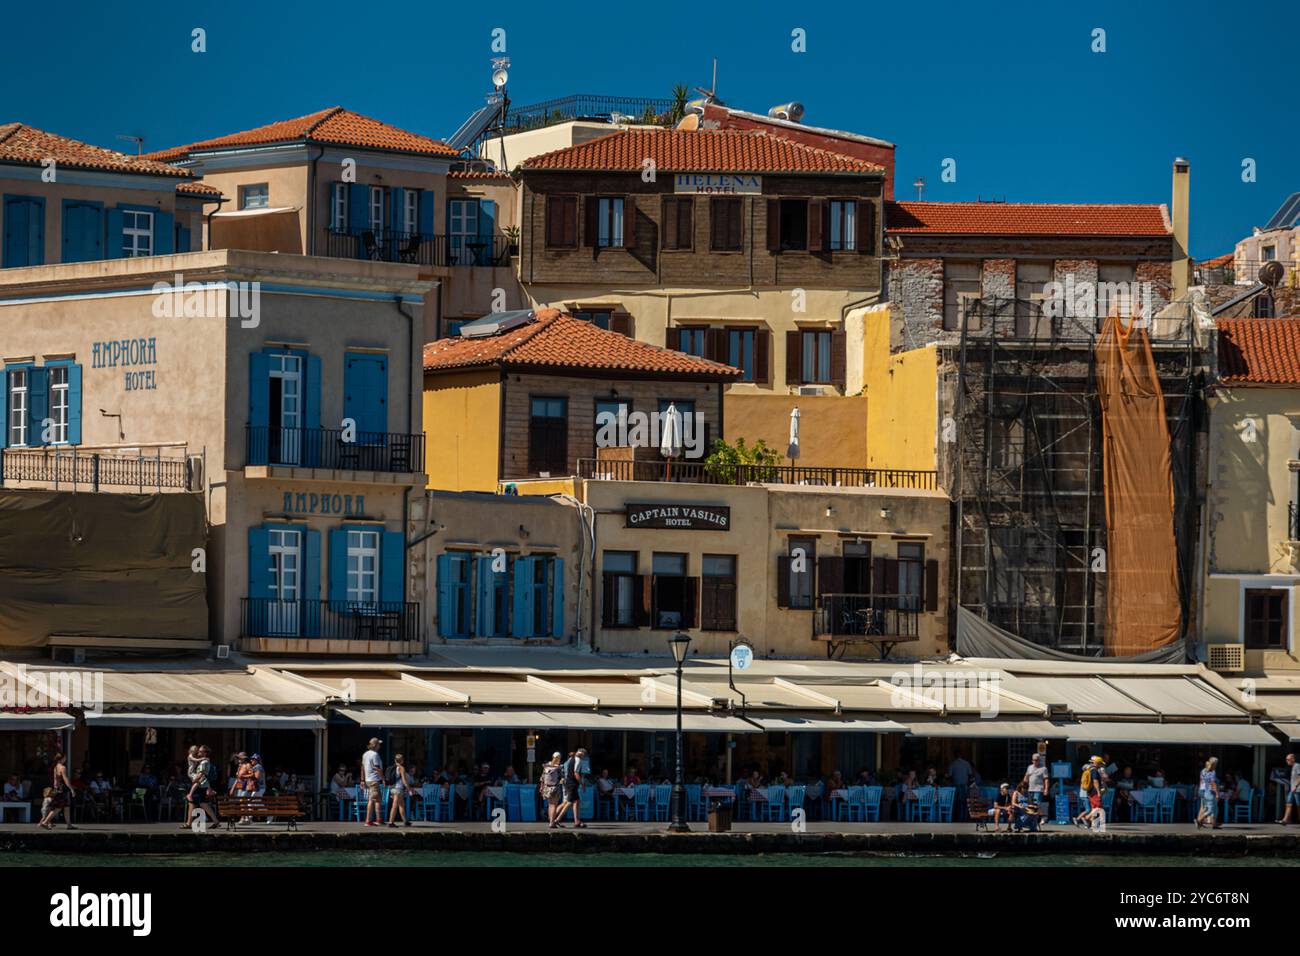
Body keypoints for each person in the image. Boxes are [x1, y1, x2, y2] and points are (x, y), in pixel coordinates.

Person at [555, 748, 588, 829]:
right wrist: (582, 784)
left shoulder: (571, 759)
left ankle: (577, 821)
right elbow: (576, 773)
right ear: (582, 754)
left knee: (577, 801)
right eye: (584, 755)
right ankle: (557, 820)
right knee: (569, 802)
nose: (583, 757)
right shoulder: (579, 760)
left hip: (568, 782)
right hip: (572, 784)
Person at [183, 745, 215, 828]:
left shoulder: (204, 762)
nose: (198, 752)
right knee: (203, 803)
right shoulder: (202, 761)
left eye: (200, 751)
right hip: (202, 784)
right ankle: (216, 821)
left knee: (192, 802)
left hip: (199, 784)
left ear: (205, 753)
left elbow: (201, 773)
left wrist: (195, 780)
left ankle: (188, 823)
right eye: (198, 751)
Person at [361, 738, 384, 827]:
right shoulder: (375, 755)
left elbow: (362, 767)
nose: (379, 746)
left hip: (368, 779)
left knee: (377, 799)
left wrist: (362, 780)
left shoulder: (365, 754)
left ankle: (379, 819)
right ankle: (368, 821)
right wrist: (383, 779)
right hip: (374, 779)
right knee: (372, 800)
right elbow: (377, 768)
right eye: (378, 744)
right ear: (375, 745)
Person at [387, 754, 413, 828]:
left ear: (395, 760)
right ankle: (391, 822)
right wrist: (409, 788)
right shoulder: (401, 768)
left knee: (401, 805)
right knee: (395, 806)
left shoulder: (392, 767)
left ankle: (405, 821)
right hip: (398, 789)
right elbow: (404, 780)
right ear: (402, 760)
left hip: (392, 788)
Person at [1196, 756, 1220, 830]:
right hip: (1210, 792)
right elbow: (1213, 783)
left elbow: (1201, 781)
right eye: (1216, 763)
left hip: (1204, 790)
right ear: (1214, 764)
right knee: (1210, 809)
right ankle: (1199, 820)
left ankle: (1214, 824)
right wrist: (1217, 793)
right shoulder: (1212, 772)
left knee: (1213, 808)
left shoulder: (1203, 770)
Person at [541, 752, 564, 829]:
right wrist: (561, 783)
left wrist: (541, 787)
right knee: (554, 805)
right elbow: (562, 778)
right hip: (555, 788)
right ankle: (552, 822)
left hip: (547, 788)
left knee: (550, 805)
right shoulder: (559, 767)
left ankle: (550, 821)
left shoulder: (546, 766)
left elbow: (542, 778)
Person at [1276, 753, 1298, 825]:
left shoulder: (1297, 766)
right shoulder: (1292, 767)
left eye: (1288, 759)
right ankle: (1285, 820)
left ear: (1293, 759)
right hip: (1293, 789)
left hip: (1297, 789)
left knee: (1298, 805)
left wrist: (1295, 785)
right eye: (1286, 759)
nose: (1287, 761)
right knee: (1288, 802)